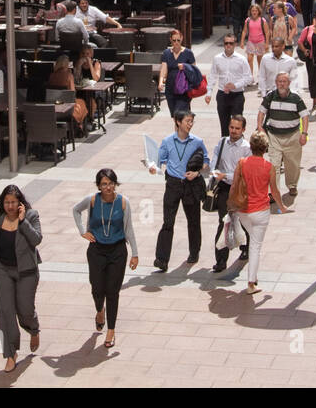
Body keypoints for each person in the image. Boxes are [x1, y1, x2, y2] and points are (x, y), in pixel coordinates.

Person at [72, 169, 139, 348]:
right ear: (98, 186)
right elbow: (76, 210)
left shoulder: (124, 202)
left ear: (115, 184)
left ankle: (111, 330)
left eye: (110, 183)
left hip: (117, 251)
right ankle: (99, 309)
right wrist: (82, 232)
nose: (107, 187)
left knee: (113, 291)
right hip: (96, 250)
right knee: (96, 288)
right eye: (104, 184)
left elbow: (129, 228)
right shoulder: (93, 200)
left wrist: (135, 253)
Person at [0, 185, 43, 373]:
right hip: (2, 270)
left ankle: (33, 328)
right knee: (5, 311)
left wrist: (23, 222)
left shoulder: (31, 216)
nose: (10, 206)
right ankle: (10, 354)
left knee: (24, 310)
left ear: (20, 203)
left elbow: (37, 239)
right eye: (7, 202)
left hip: (27, 271)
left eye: (13, 202)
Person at [231, 131, 290, 294]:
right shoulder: (269, 167)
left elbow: (234, 185)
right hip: (261, 211)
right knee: (256, 246)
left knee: (252, 239)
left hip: (243, 210)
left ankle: (253, 278)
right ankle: (251, 282)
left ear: (251, 146)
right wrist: (282, 207)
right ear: (265, 149)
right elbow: (275, 191)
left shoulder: (242, 163)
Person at [149, 110, 207, 270]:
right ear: (178, 122)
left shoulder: (197, 141)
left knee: (193, 221)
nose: (190, 124)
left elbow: (207, 161)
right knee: (168, 222)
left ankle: (194, 252)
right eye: (187, 121)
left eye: (191, 121)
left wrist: (197, 172)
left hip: (190, 185)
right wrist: (153, 168)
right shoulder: (167, 141)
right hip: (173, 185)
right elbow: (158, 161)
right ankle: (161, 259)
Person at [257, 70, 311, 200]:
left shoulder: (296, 98)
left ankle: (292, 185)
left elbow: (305, 116)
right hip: (274, 136)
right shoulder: (270, 96)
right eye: (279, 81)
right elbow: (261, 112)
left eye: (284, 82)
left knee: (292, 164)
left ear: (289, 83)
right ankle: (274, 192)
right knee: (274, 165)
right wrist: (260, 127)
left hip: (292, 136)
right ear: (276, 83)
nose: (282, 84)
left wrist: (304, 134)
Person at [208, 116, 252, 272]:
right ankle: (220, 260)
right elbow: (215, 161)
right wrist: (215, 173)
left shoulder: (247, 148)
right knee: (223, 222)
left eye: (237, 128)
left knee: (242, 220)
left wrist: (226, 175)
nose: (234, 131)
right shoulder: (222, 142)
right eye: (232, 127)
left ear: (243, 130)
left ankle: (246, 247)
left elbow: (246, 174)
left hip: (240, 189)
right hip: (225, 188)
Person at [205, 34, 253, 138]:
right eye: (226, 43)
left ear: (235, 44)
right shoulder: (217, 58)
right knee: (224, 125)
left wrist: (235, 85)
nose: (228, 45)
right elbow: (212, 76)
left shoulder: (241, 59)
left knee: (237, 124)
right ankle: (225, 148)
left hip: (237, 95)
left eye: (231, 43)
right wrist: (209, 93)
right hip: (222, 95)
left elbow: (249, 78)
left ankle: (239, 146)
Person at [157, 29, 197, 118]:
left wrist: (185, 67)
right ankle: (179, 131)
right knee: (175, 116)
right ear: (170, 40)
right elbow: (164, 69)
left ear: (182, 39)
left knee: (180, 116)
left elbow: (194, 71)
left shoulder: (188, 53)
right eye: (174, 40)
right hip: (170, 89)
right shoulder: (166, 53)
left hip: (183, 90)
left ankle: (181, 131)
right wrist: (160, 82)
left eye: (178, 40)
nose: (176, 43)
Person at [240, 3, 268, 77]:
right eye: (253, 10)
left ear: (259, 11)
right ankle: (250, 76)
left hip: (260, 42)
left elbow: (267, 32)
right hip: (251, 42)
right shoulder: (248, 20)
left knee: (260, 60)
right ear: (250, 12)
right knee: (249, 59)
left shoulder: (262, 20)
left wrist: (267, 43)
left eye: (256, 10)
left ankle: (261, 75)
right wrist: (242, 41)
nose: (254, 12)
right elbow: (244, 31)